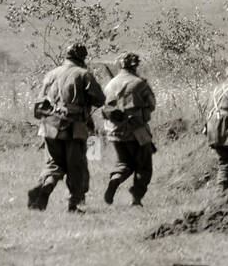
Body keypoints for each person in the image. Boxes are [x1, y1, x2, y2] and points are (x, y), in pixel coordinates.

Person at [27, 42, 106, 213]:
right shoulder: (84, 74)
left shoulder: (51, 74)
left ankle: (44, 187)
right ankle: (74, 204)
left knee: (53, 164)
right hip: (73, 128)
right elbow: (99, 99)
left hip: (49, 127)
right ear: (82, 57)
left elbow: (40, 101)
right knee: (75, 166)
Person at [101, 52, 157, 206]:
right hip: (136, 131)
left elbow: (104, 108)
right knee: (143, 166)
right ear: (135, 65)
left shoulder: (110, 84)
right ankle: (136, 199)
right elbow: (151, 105)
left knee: (124, 163)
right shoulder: (140, 83)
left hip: (114, 132)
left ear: (120, 65)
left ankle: (115, 179)